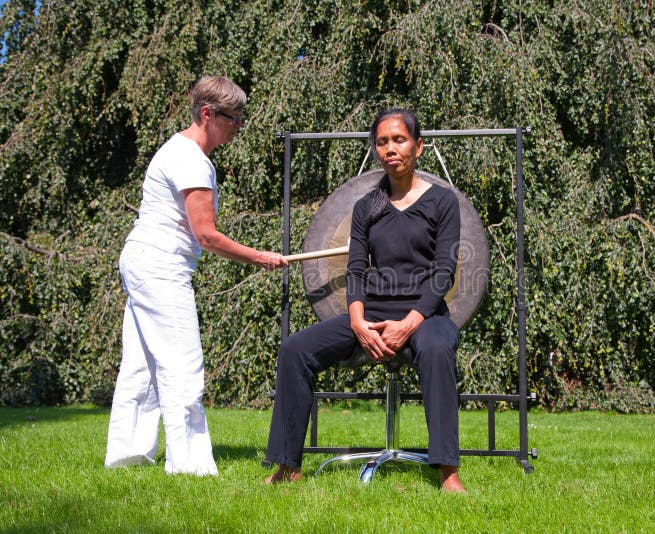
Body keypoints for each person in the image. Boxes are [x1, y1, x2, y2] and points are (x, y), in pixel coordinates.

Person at [264, 108, 466, 492]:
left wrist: (409, 323)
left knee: (438, 348)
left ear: (419, 147)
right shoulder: (366, 207)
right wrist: (357, 322)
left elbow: (444, 272)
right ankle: (287, 465)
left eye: (400, 139)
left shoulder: (443, 202)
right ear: (376, 149)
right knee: (294, 349)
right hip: (370, 314)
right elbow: (356, 270)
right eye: (382, 141)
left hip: (426, 317)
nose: (391, 148)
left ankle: (447, 473)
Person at [105, 76, 287, 476]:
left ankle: (127, 455)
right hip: (161, 265)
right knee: (182, 365)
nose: (239, 125)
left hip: (141, 259)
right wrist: (260, 257)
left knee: (142, 365)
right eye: (233, 118)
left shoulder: (176, 149)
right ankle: (189, 466)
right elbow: (206, 235)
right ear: (208, 114)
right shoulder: (190, 159)